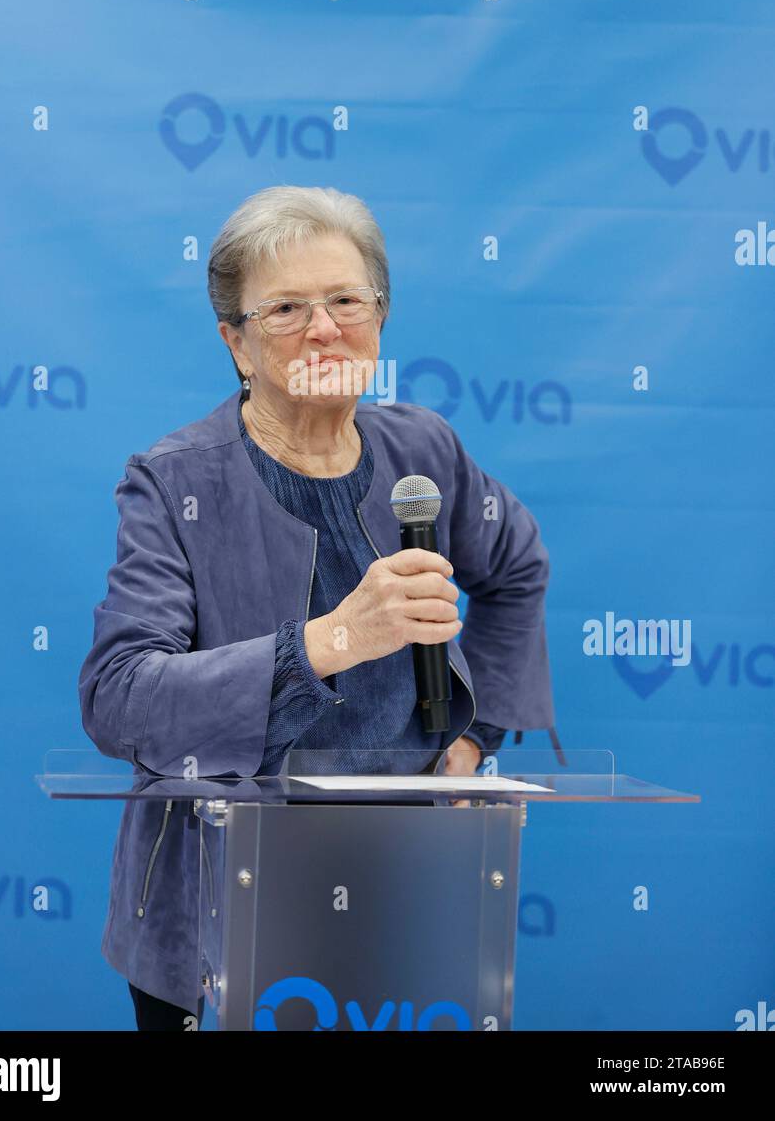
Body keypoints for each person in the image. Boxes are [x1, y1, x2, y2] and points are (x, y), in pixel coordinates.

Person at [78, 184, 557, 1030]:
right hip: (216, 915)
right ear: (236, 342)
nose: (324, 328)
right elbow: (121, 698)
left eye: (345, 300)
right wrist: (333, 638)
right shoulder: (174, 480)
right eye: (286, 308)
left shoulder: (425, 450)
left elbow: (516, 565)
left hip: (405, 898)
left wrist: (479, 735)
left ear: (380, 317)